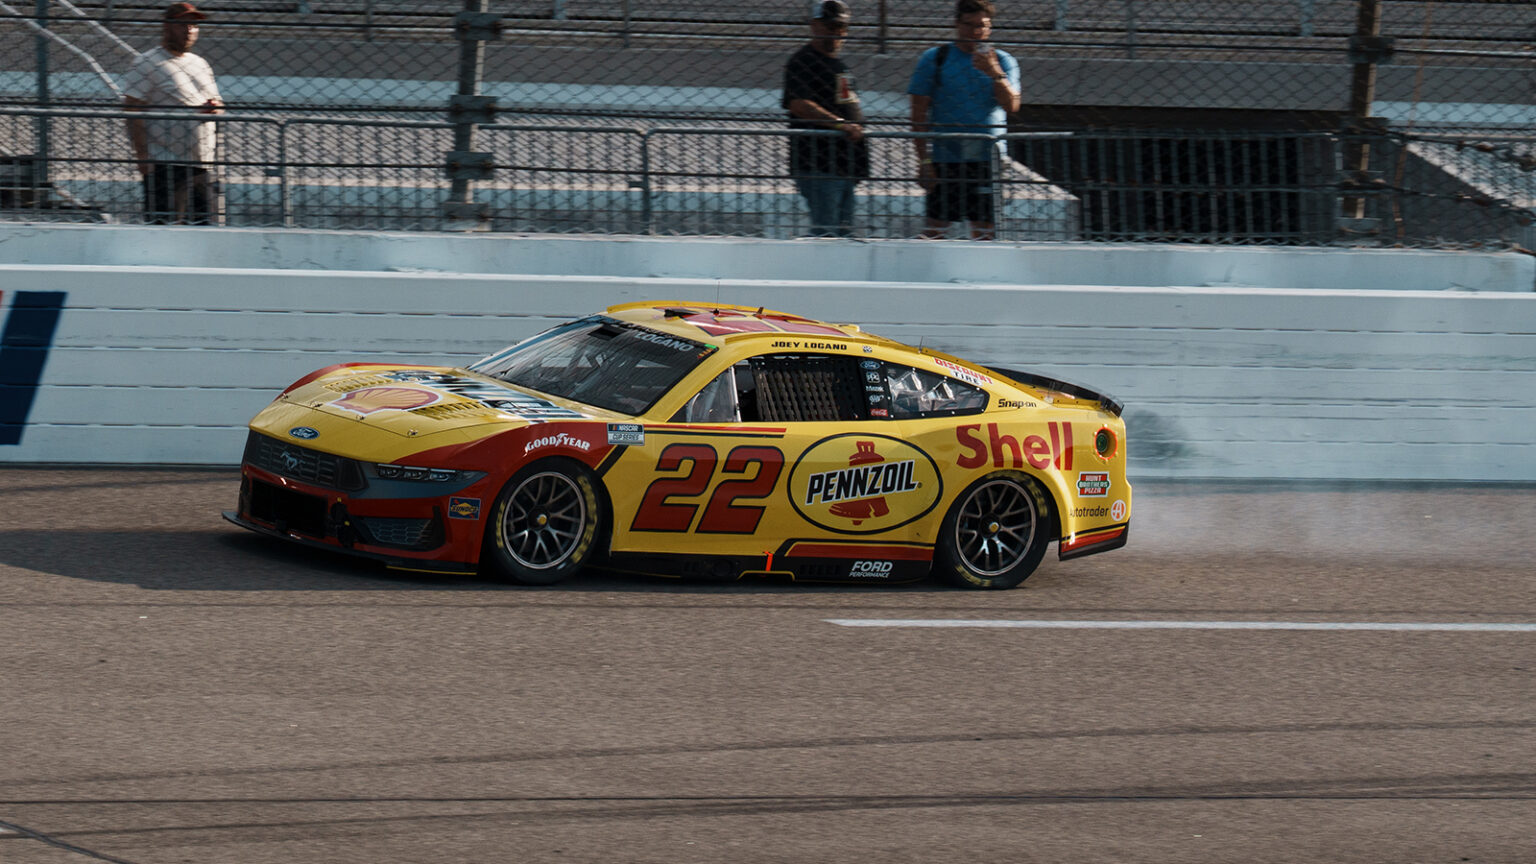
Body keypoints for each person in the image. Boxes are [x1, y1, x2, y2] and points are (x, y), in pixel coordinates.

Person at [907, 0, 1020, 239]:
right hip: (946, 156)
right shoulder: (936, 58)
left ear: (990, 27)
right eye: (969, 25)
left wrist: (994, 73)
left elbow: (1012, 105)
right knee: (935, 230)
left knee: (985, 232)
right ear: (957, 24)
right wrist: (924, 161)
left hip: (987, 158)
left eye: (982, 26)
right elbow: (918, 114)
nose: (975, 32)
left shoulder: (1003, 61)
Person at [123, 2, 224, 225]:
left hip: (201, 163)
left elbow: (218, 104)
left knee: (204, 229)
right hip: (166, 163)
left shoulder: (200, 64)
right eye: (184, 24)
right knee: (164, 231)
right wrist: (142, 156)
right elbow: (132, 109)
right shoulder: (147, 62)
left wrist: (215, 108)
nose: (190, 30)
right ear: (168, 27)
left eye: (194, 25)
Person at [781, 0, 869, 238]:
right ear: (815, 26)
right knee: (827, 233)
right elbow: (799, 104)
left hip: (843, 166)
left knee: (842, 232)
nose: (837, 33)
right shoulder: (803, 61)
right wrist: (841, 124)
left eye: (842, 27)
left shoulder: (838, 65)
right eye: (831, 27)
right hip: (819, 164)